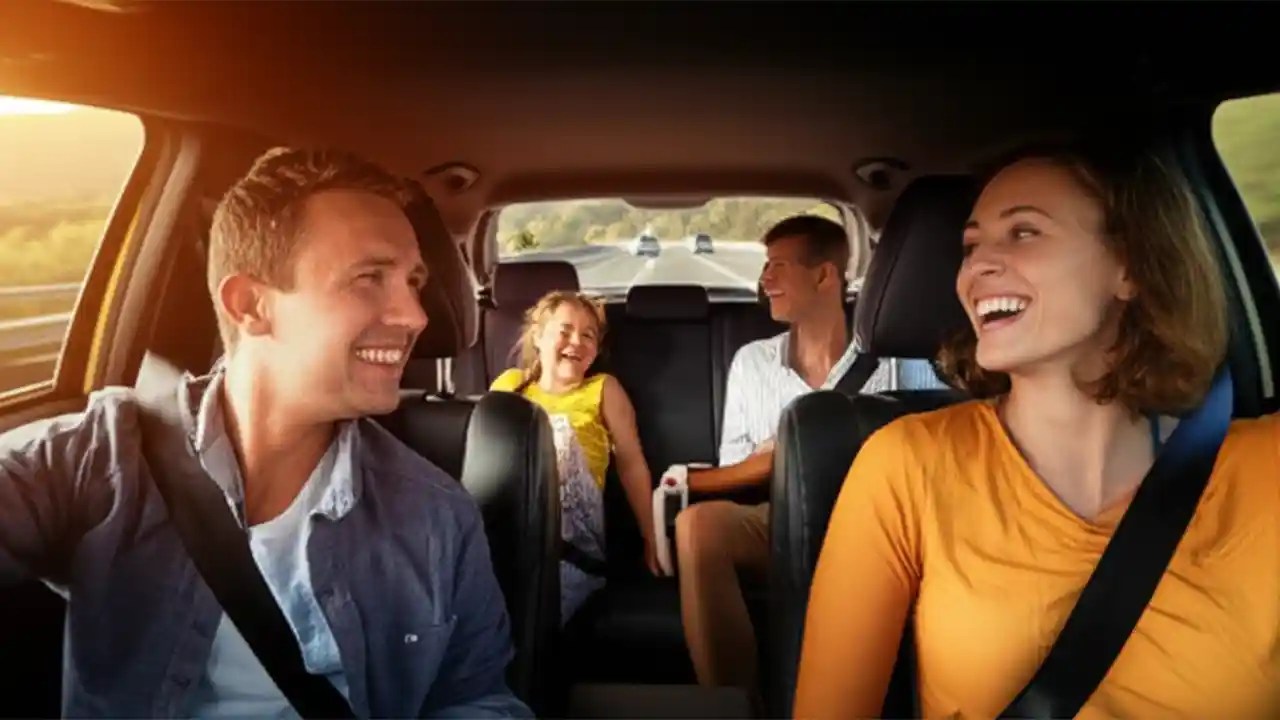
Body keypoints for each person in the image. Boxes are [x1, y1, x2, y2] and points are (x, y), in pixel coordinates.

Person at [0, 148, 531, 718]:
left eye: (413, 281)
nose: (415, 315)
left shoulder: (437, 513)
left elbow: (476, 697)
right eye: (369, 278)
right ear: (251, 305)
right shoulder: (98, 459)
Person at [793, 142, 1280, 719]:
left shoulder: (1265, 469)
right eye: (970, 245)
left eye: (1023, 233)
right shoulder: (908, 465)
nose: (976, 267)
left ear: (1131, 266)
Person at [674, 215, 944, 691]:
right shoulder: (753, 363)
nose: (765, 281)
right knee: (698, 527)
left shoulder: (904, 363)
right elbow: (731, 469)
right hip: (779, 520)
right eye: (764, 267)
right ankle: (734, 701)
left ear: (825, 276)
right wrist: (785, 458)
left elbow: (943, 451)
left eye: (778, 266)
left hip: (881, 526)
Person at [490, 290, 658, 623]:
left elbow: (631, 463)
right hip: (511, 519)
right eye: (564, 331)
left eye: (588, 335)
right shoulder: (511, 385)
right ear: (538, 337)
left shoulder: (602, 389)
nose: (576, 342)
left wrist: (651, 536)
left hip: (572, 529)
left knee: (558, 434)